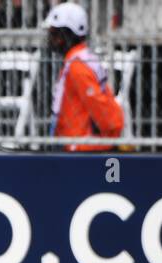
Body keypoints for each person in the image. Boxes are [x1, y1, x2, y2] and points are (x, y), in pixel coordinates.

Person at [46, 2, 125, 151]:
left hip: (80, 147)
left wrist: (109, 140)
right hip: (73, 142)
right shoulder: (78, 58)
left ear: (68, 34)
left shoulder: (77, 66)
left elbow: (103, 111)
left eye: (55, 34)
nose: (52, 40)